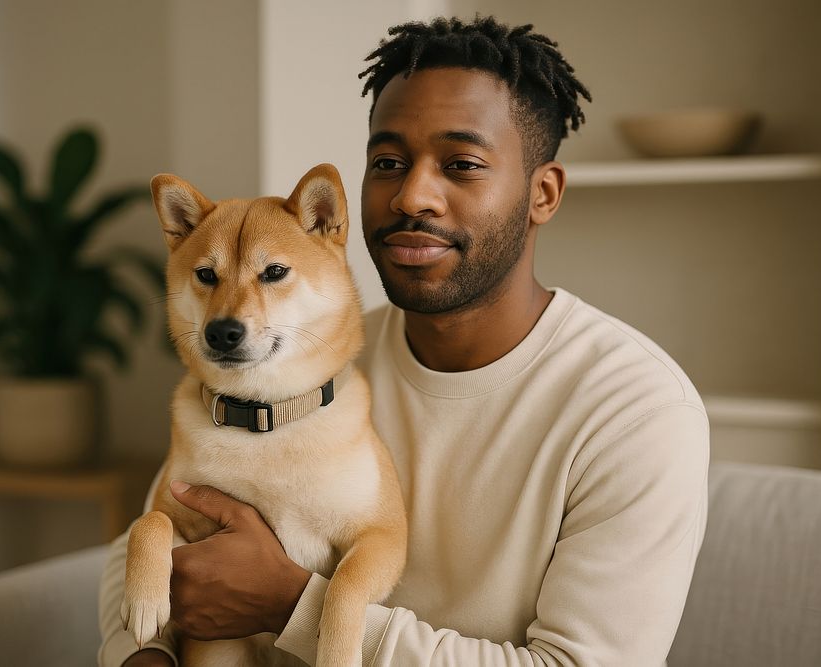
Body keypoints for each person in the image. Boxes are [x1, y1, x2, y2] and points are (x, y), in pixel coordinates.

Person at [99, 15, 709, 666]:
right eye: (388, 162)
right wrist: (148, 651)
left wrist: (291, 605)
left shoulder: (636, 409)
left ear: (543, 193)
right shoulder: (307, 351)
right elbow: (159, 532)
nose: (412, 194)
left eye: (462, 164)